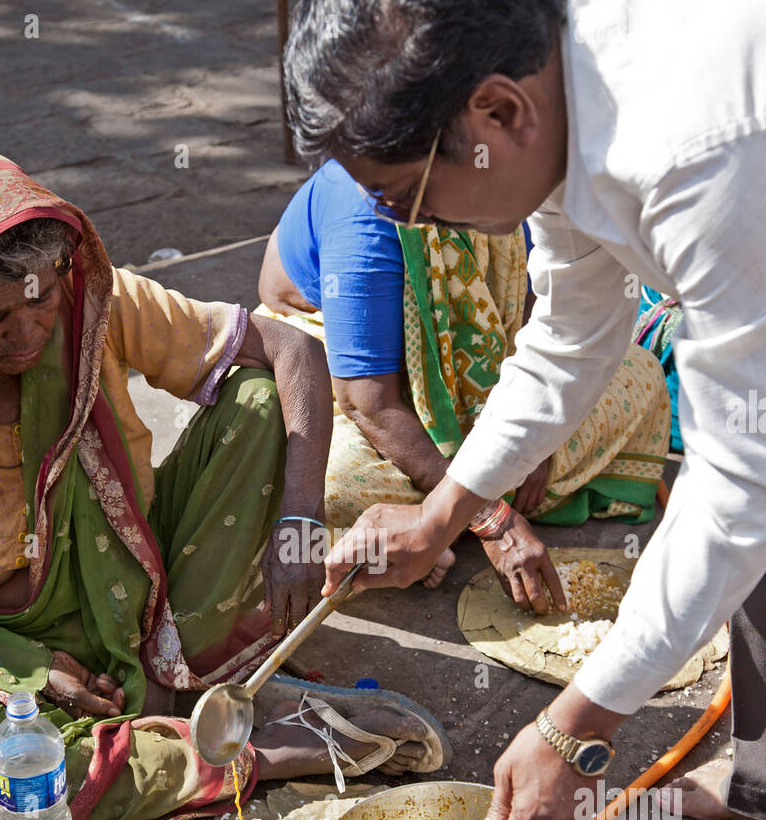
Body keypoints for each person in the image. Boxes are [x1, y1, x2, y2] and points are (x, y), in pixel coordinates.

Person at [283, 0, 766, 820]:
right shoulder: (540, 62)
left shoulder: (695, 146)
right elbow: (570, 334)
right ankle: (759, 775)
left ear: (491, 113)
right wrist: (443, 510)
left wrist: (571, 729)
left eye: (406, 201)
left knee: (739, 504)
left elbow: (745, 488)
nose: (413, 233)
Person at [0, 148, 449, 820]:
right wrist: (28, 670)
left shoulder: (96, 305)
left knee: (256, 404)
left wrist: (299, 524)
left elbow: (293, 357)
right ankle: (262, 749)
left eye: (41, 298)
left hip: (132, 590)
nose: (30, 331)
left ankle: (173, 683)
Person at [259, 159, 669, 599]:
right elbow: (368, 401)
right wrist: (494, 519)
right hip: (342, 361)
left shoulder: (512, 176)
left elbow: (541, 304)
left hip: (475, 355)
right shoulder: (367, 212)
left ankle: (433, 523)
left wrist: (538, 434)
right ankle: (441, 521)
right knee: (339, 488)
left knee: (641, 374)